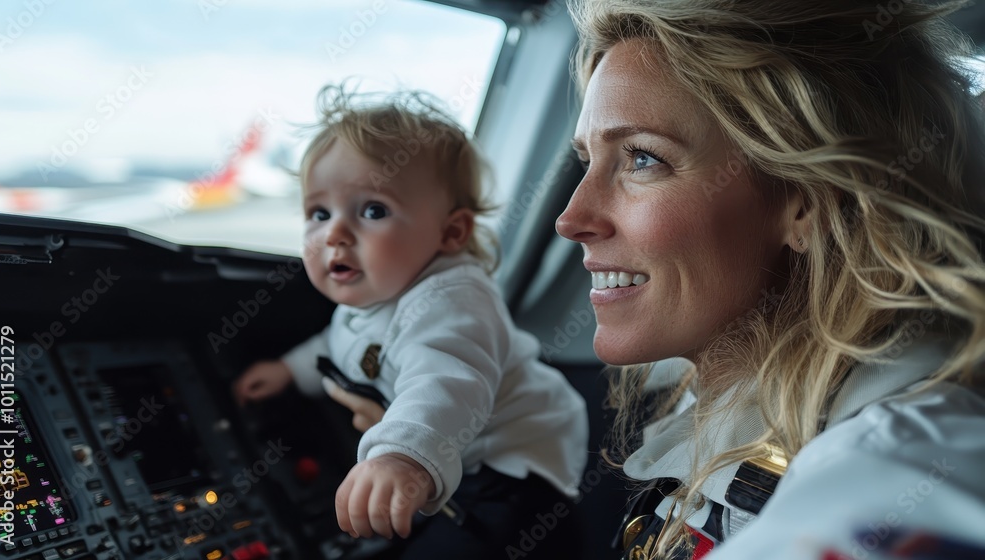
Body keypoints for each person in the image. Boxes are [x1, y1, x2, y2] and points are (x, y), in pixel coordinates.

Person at [555, 0, 985, 558]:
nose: (571, 220)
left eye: (641, 158)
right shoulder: (728, 399)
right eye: (587, 159)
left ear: (804, 202)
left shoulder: (904, 462)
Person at [232, 84, 589, 559]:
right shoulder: (375, 295)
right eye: (319, 212)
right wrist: (291, 371)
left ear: (451, 232)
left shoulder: (451, 301)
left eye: (373, 210)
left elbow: (444, 382)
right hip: (450, 455)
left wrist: (401, 455)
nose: (335, 233)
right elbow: (340, 340)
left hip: (515, 466)